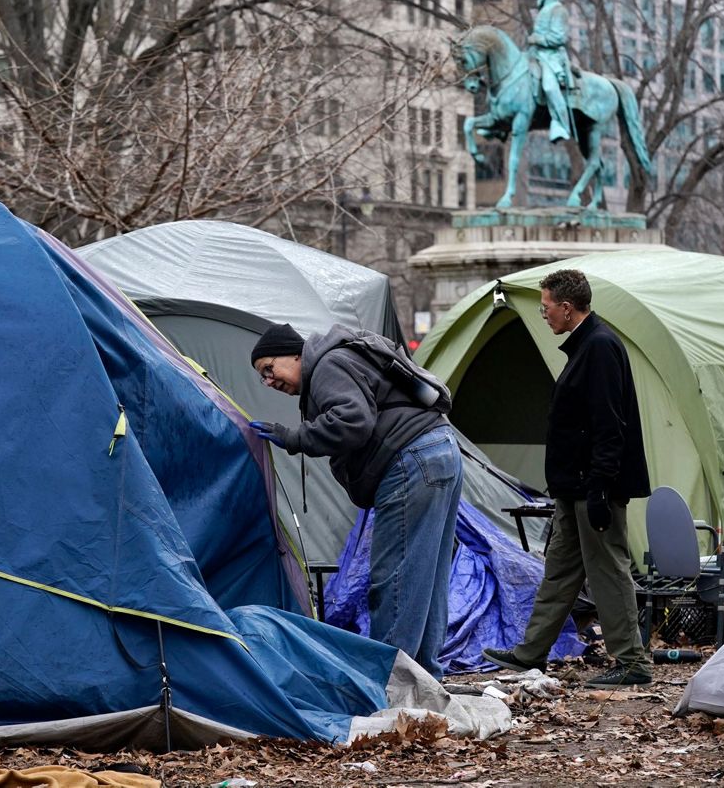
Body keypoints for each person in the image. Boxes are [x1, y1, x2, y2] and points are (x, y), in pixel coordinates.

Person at [248, 322, 463, 678]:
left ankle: (390, 683)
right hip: (439, 450)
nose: (269, 381)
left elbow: (352, 421)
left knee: (395, 575)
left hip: (411, 459)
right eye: (262, 378)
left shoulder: (328, 365)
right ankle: (424, 677)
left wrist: (294, 437)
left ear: (296, 353)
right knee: (428, 575)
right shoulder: (340, 358)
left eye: (269, 368)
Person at [483, 269, 652, 688]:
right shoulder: (586, 347)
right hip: (575, 486)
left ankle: (631, 661)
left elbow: (610, 425)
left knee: (608, 570)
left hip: (593, 487)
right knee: (560, 570)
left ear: (566, 307)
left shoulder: (599, 347)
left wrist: (599, 487)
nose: (543, 315)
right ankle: (530, 653)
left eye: (545, 308)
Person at [528, 0, 574, 143]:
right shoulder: (543, 10)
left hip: (551, 57)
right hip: (536, 54)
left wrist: (537, 39)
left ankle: (561, 125)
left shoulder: (558, 10)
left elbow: (559, 38)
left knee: (549, 87)